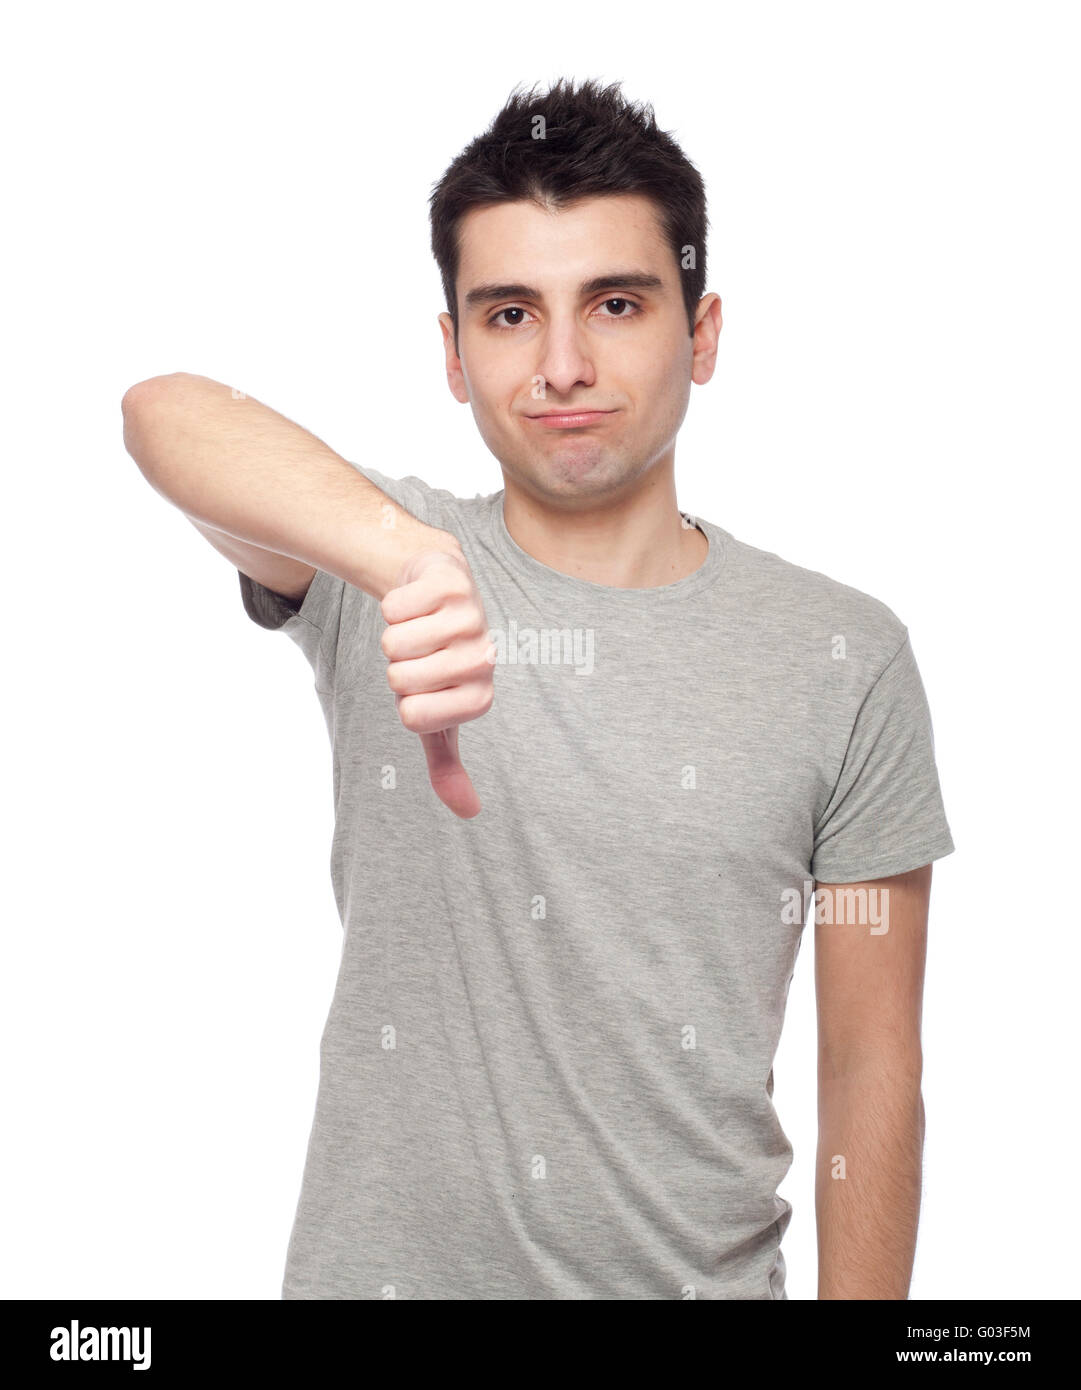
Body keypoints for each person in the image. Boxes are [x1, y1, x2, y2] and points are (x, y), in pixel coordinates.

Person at [122, 77, 955, 1300]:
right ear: (453, 355)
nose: (563, 365)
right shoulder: (375, 563)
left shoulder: (846, 656)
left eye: (615, 303)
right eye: (510, 314)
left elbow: (870, 1071)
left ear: (703, 331)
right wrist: (404, 558)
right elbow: (163, 416)